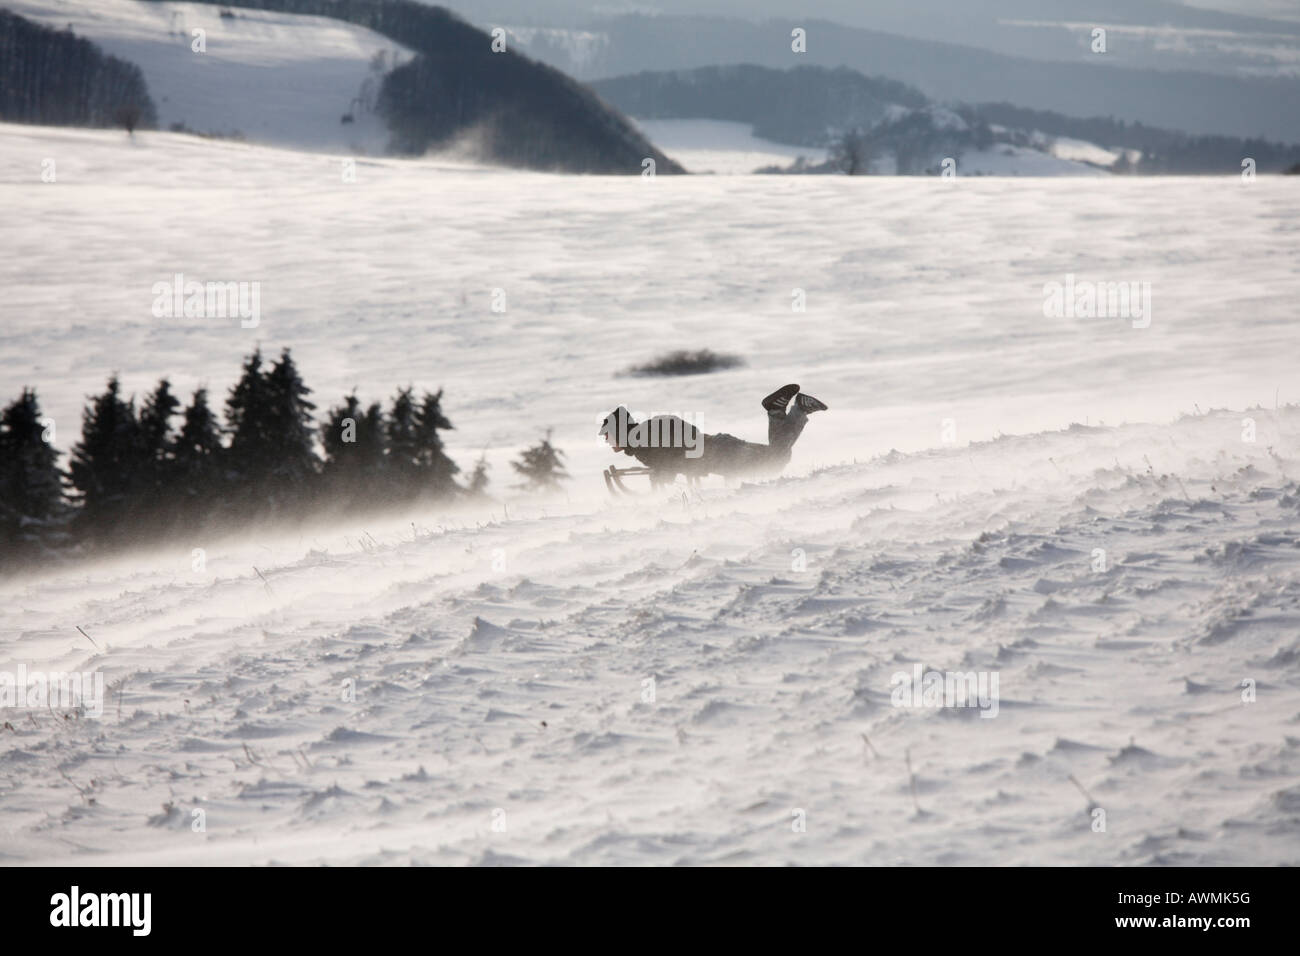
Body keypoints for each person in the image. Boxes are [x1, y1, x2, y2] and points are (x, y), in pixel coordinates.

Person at [599, 384, 827, 485]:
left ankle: (786, 410)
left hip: (724, 453)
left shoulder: (643, 441)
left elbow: (679, 446)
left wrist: (665, 469)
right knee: (776, 458)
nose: (607, 440)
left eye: (608, 435)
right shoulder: (644, 438)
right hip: (722, 449)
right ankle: (784, 410)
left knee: (775, 461)